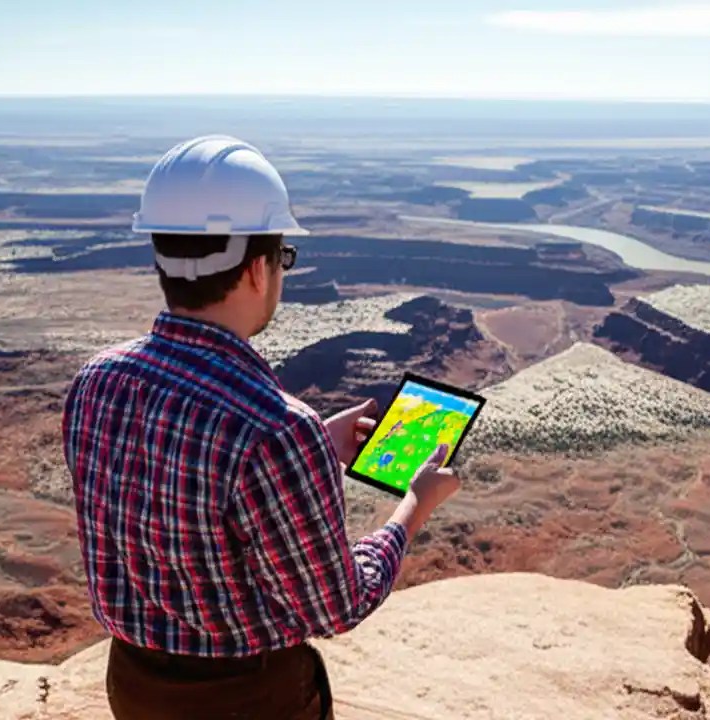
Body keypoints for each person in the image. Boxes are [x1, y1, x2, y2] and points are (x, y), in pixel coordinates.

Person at [61, 135, 462, 720]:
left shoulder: (96, 381)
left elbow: (175, 495)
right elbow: (338, 606)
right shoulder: (274, 429)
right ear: (256, 269)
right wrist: (414, 506)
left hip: (133, 686)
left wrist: (315, 450)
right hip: (247, 701)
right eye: (283, 258)